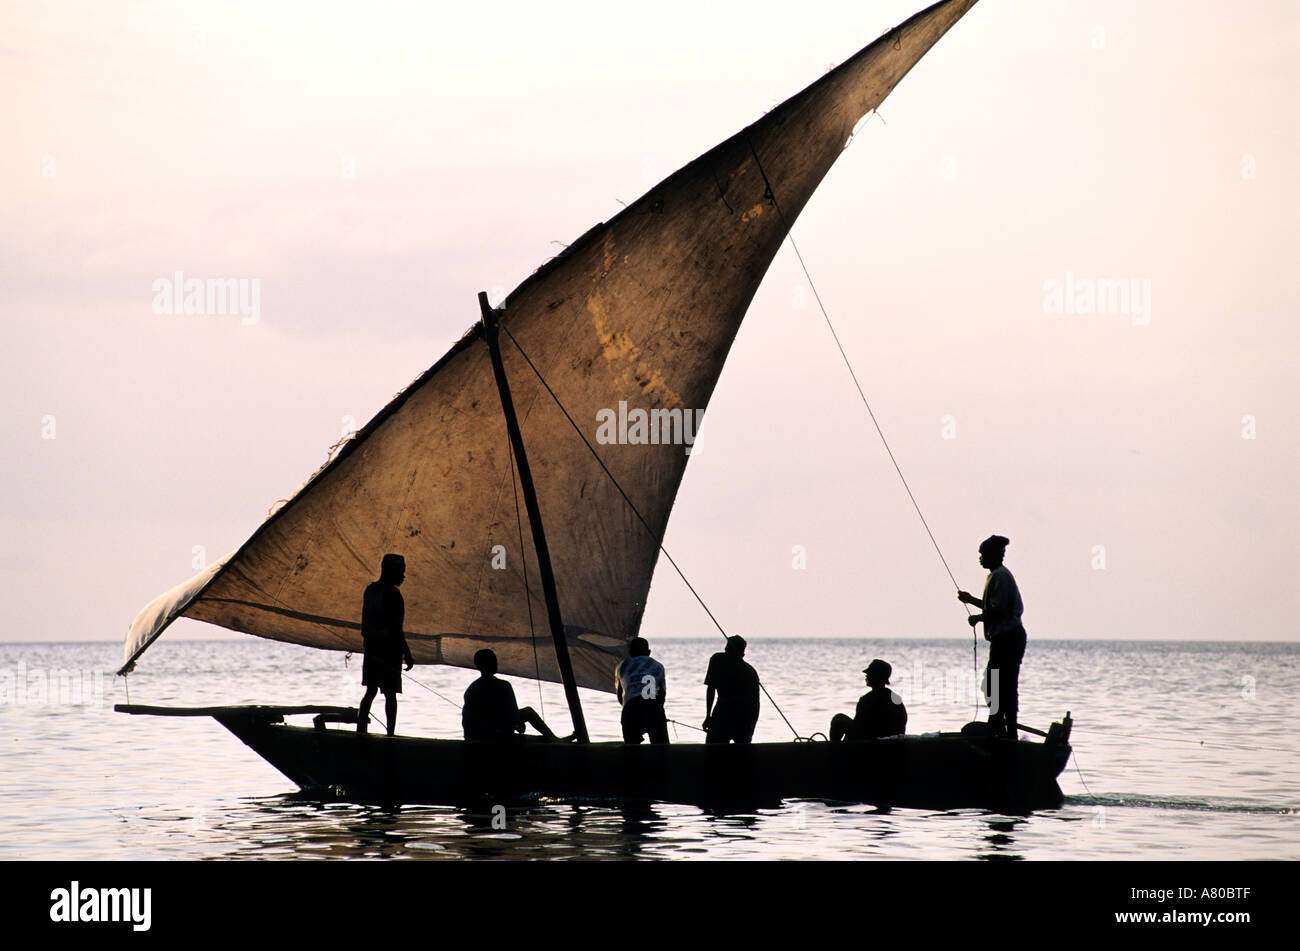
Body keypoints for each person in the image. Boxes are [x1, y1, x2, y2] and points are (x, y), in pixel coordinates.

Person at [958, 534, 1027, 740]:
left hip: (1009, 638)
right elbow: (993, 606)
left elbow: (1000, 611)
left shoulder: (1001, 576)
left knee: (998, 684)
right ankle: (1001, 725)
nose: (980, 558)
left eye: (982, 554)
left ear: (993, 555)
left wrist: (978, 618)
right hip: (1003, 638)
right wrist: (970, 600)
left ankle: (1004, 728)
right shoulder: (994, 575)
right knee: (997, 684)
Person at [357, 553, 414, 736]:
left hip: (372, 647)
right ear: (392, 571)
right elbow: (396, 628)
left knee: (371, 690)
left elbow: (365, 624)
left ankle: (361, 730)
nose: (403, 577)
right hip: (389, 649)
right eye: (401, 572)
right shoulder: (393, 594)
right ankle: (390, 734)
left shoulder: (370, 590)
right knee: (390, 694)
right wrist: (407, 653)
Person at [462, 648, 565, 741]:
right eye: (493, 661)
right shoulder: (503, 686)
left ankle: (555, 739)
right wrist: (517, 723)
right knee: (528, 713)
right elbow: (510, 715)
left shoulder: (471, 689)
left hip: (474, 737)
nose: (496, 663)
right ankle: (556, 741)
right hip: (493, 739)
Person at [829, 658, 907, 741]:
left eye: (869, 673)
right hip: (891, 741)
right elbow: (901, 726)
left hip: (869, 741)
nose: (866, 675)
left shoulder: (866, 700)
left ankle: (835, 751)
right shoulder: (896, 698)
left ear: (877, 676)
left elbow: (858, 726)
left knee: (838, 719)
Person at [703, 635, 760, 744]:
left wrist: (708, 716)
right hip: (744, 717)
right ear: (742, 653)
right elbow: (755, 704)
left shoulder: (717, 659)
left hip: (725, 714)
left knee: (712, 751)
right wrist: (751, 727)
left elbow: (711, 689)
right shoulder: (750, 671)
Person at [615, 637, 668, 744]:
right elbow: (662, 694)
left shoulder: (622, 666)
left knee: (632, 747)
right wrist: (659, 713)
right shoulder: (658, 666)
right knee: (661, 746)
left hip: (631, 708)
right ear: (649, 652)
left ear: (630, 652)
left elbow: (620, 695)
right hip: (653, 707)